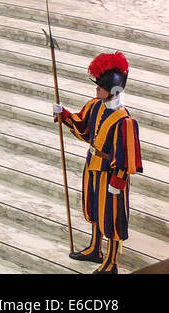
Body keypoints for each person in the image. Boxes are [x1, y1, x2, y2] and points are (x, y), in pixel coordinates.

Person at [53, 52, 141, 274]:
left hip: (110, 174)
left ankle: (111, 262)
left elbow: (126, 157)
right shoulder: (95, 106)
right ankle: (95, 249)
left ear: (113, 90)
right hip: (92, 166)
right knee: (93, 208)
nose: (96, 90)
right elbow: (84, 128)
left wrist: (118, 182)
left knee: (112, 216)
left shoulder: (125, 121)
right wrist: (64, 115)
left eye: (100, 88)